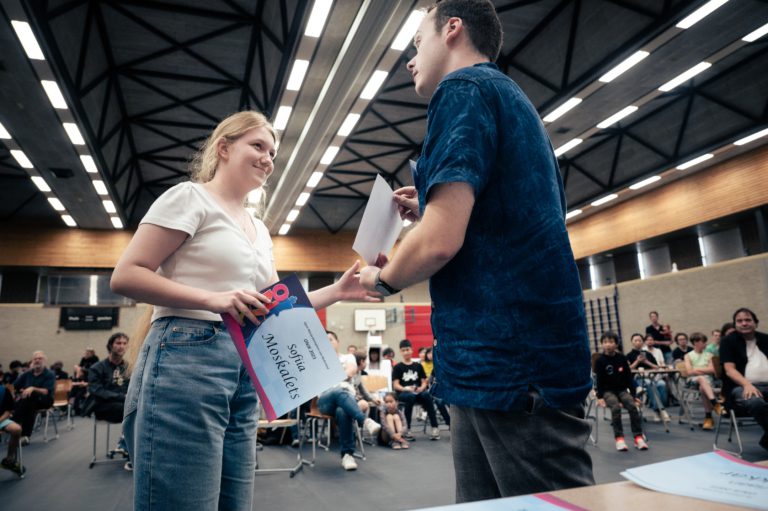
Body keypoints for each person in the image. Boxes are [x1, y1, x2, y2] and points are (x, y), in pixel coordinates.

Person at [358, 1, 594, 500]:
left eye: (416, 42)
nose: (409, 59)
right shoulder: (508, 99)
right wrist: (430, 207)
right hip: (490, 362)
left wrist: (381, 280)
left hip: (511, 361)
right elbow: (499, 220)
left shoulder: (462, 90)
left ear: (452, 29)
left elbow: (441, 243)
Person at [111, 111, 378, 508]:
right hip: (186, 354)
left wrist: (338, 290)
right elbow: (126, 275)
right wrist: (213, 299)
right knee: (184, 501)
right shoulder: (190, 197)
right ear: (223, 147)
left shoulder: (258, 228)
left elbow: (273, 307)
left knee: (234, 502)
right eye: (258, 146)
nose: (268, 158)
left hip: (245, 365)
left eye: (272, 152)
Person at [316, 351, 382, 471]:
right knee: (339, 390)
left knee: (343, 411)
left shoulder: (354, 371)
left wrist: (373, 399)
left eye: (331, 339)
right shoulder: (321, 362)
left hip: (344, 401)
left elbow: (363, 390)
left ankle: (347, 456)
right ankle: (365, 421)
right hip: (325, 401)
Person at [719, 308, 768, 450]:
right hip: (740, 387)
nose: (744, 323)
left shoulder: (765, 339)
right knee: (755, 402)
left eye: (748, 320)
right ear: (735, 325)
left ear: (756, 323)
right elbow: (729, 369)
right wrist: (747, 385)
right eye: (739, 321)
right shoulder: (728, 341)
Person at [594, 332, 647, 451]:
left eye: (611, 342)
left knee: (633, 407)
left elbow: (629, 378)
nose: (608, 345)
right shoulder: (600, 360)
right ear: (602, 344)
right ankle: (619, 439)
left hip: (622, 390)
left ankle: (638, 437)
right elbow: (599, 381)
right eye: (605, 342)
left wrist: (633, 396)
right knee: (616, 408)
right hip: (608, 392)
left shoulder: (622, 358)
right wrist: (600, 397)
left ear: (616, 344)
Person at [87, 332, 131, 469]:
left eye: (124, 343)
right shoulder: (97, 368)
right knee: (132, 411)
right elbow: (97, 391)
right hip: (102, 407)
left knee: (135, 409)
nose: (121, 346)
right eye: (118, 343)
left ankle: (126, 448)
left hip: (123, 406)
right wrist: (120, 397)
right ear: (110, 346)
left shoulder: (128, 367)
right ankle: (126, 448)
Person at [392, 339, 440, 440]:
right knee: (409, 397)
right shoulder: (397, 367)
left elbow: (424, 381)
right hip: (404, 393)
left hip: (417, 392)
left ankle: (435, 427)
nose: (406, 352)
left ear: (411, 350)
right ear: (400, 352)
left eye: (407, 349)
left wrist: (421, 388)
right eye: (403, 350)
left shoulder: (418, 366)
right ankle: (407, 429)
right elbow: (396, 385)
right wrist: (406, 388)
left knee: (427, 395)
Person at [11, 350, 55, 444]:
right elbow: (15, 386)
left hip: (45, 400)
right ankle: (25, 436)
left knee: (31, 395)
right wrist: (20, 391)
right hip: (29, 401)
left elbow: (46, 391)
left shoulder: (49, 374)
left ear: (44, 360)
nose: (37, 360)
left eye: (40, 358)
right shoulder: (27, 374)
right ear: (32, 361)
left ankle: (12, 424)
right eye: (35, 359)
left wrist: (32, 388)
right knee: (29, 402)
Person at [627, 334, 670, 423]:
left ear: (643, 342)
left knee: (662, 384)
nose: (638, 342)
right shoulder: (629, 355)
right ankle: (661, 409)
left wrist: (646, 361)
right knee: (649, 383)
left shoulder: (648, 354)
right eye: (636, 340)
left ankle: (656, 410)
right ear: (632, 342)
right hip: (637, 379)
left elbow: (657, 367)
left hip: (651, 377)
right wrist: (637, 361)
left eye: (640, 340)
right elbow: (628, 369)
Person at [684, 332, 722, 430]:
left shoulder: (709, 355)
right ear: (695, 343)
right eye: (703, 342)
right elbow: (689, 372)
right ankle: (714, 403)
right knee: (701, 378)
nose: (705, 344)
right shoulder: (688, 355)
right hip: (692, 381)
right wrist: (703, 370)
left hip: (707, 382)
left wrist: (696, 369)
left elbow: (712, 370)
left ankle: (708, 418)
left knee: (702, 388)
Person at [0, 384, 24, 476]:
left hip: (1, 419)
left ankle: (9, 460)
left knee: (16, 429)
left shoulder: (4, 391)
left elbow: (7, 412)